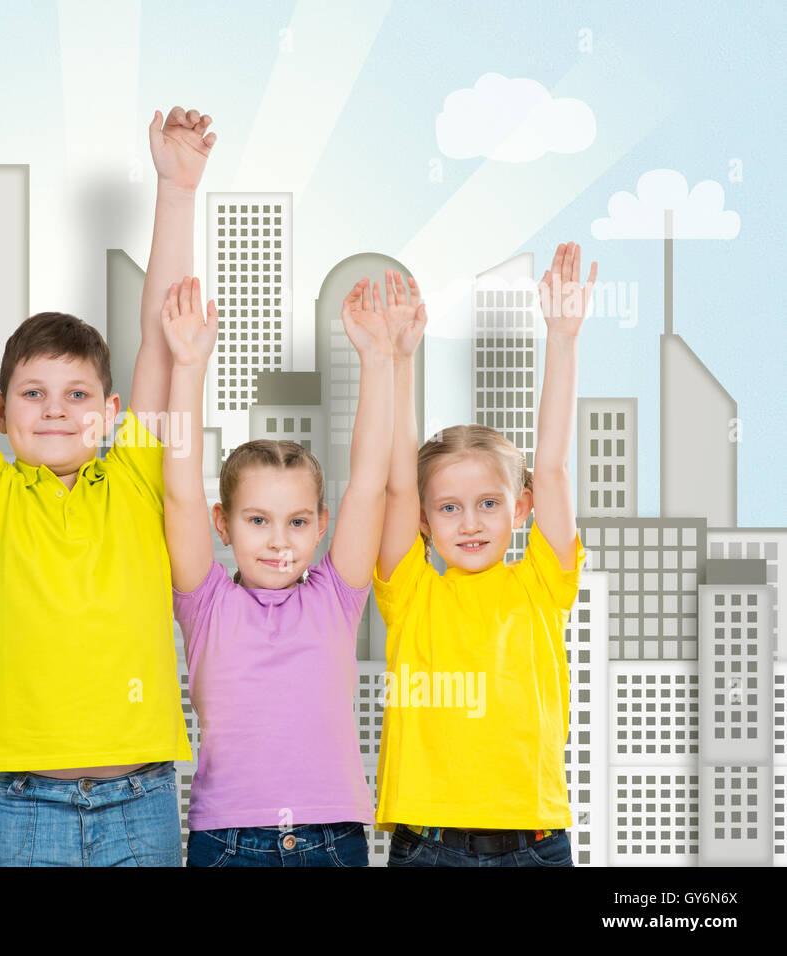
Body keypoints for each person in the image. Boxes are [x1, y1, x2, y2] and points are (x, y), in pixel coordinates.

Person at [0, 97, 214, 865]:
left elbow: (162, 344)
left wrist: (176, 193)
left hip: (141, 799)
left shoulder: (138, 474)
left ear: (110, 413)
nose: (55, 410)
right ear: (1, 411)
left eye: (77, 395)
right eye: (34, 394)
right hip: (15, 803)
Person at [373, 246, 597, 866]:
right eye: (448, 508)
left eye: (488, 504)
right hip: (428, 846)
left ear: (521, 508)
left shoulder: (542, 584)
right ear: (424, 519)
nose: (469, 523)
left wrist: (562, 336)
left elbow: (550, 466)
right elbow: (395, 483)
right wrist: (398, 359)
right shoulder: (411, 588)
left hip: (535, 844)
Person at [161, 274, 394, 866]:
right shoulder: (205, 600)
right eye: (257, 520)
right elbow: (180, 492)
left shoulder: (335, 596)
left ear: (321, 524)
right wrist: (189, 365)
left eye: (296, 522)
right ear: (224, 523)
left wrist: (378, 358)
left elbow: (368, 486)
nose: (279, 542)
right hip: (228, 842)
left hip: (332, 841)